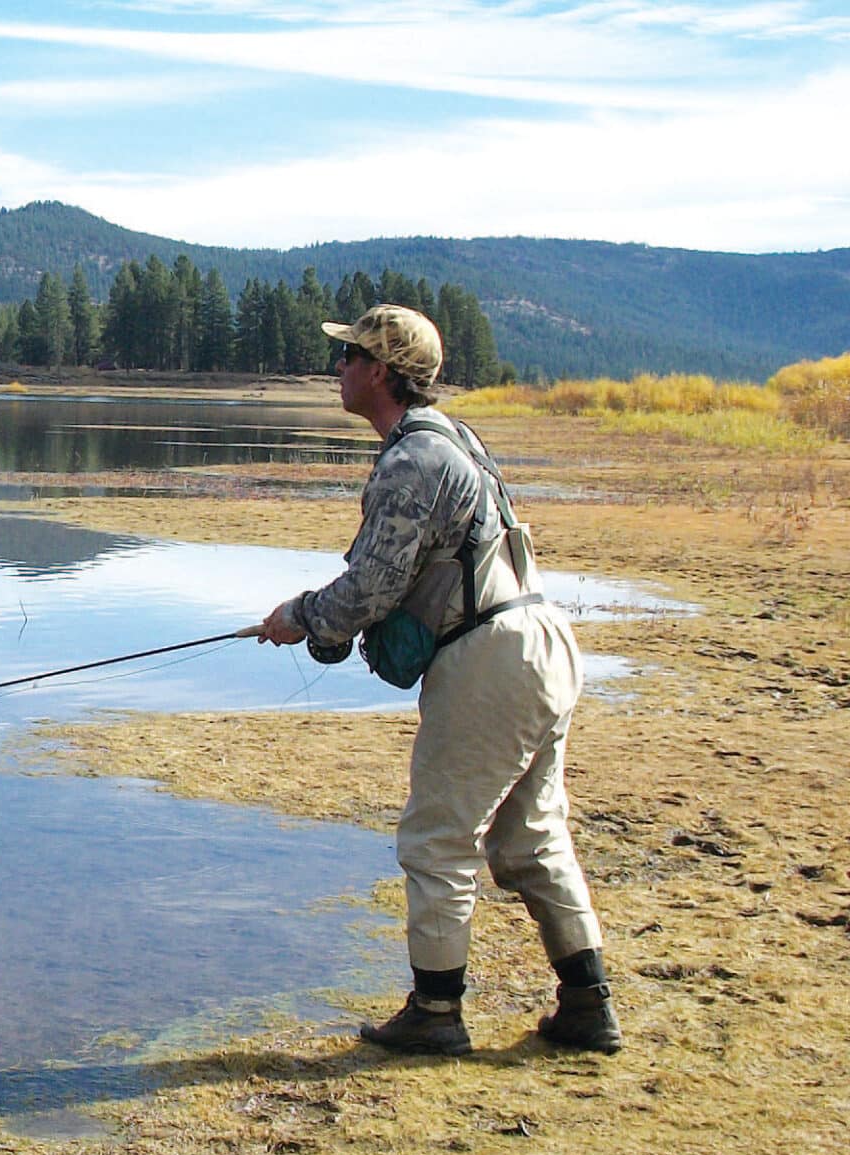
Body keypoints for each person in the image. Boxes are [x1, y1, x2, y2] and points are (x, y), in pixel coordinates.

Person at [257, 305, 620, 1056]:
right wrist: (326, 622)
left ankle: (436, 1014)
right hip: (541, 643)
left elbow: (370, 590)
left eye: (350, 358)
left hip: (489, 657)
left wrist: (300, 616)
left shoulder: (412, 460)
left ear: (381, 372)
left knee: (435, 840)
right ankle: (588, 1005)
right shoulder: (457, 441)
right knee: (532, 836)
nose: (339, 370)